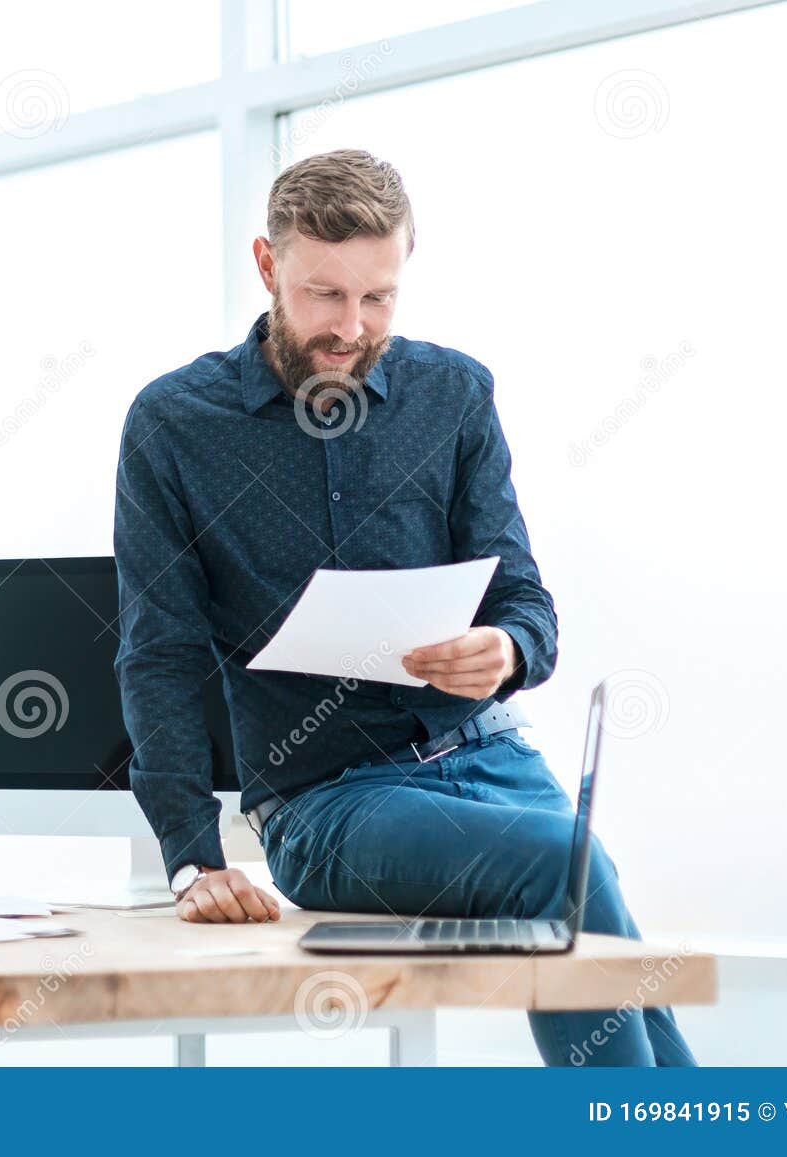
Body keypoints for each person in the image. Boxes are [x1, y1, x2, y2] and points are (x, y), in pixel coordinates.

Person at [113, 149, 694, 1066]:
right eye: (324, 295)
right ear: (267, 266)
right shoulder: (174, 423)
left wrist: (505, 649)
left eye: (377, 298)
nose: (350, 327)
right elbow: (159, 652)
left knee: (603, 933)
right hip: (330, 801)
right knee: (562, 864)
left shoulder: (454, 392)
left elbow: (523, 598)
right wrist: (193, 856)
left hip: (490, 754)